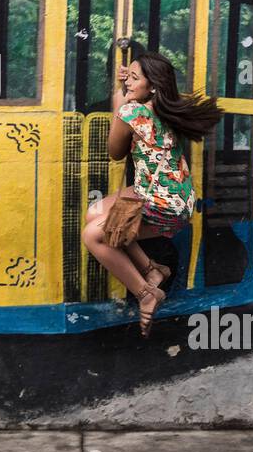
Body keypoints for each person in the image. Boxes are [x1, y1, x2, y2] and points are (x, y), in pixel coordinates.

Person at [82, 51, 222, 337]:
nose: (128, 82)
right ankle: (152, 268)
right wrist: (128, 89)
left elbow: (115, 153)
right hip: (177, 196)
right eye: (128, 77)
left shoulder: (133, 112)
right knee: (95, 213)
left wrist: (121, 98)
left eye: (135, 78)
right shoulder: (167, 109)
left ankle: (146, 292)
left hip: (160, 202)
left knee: (93, 235)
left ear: (153, 86)